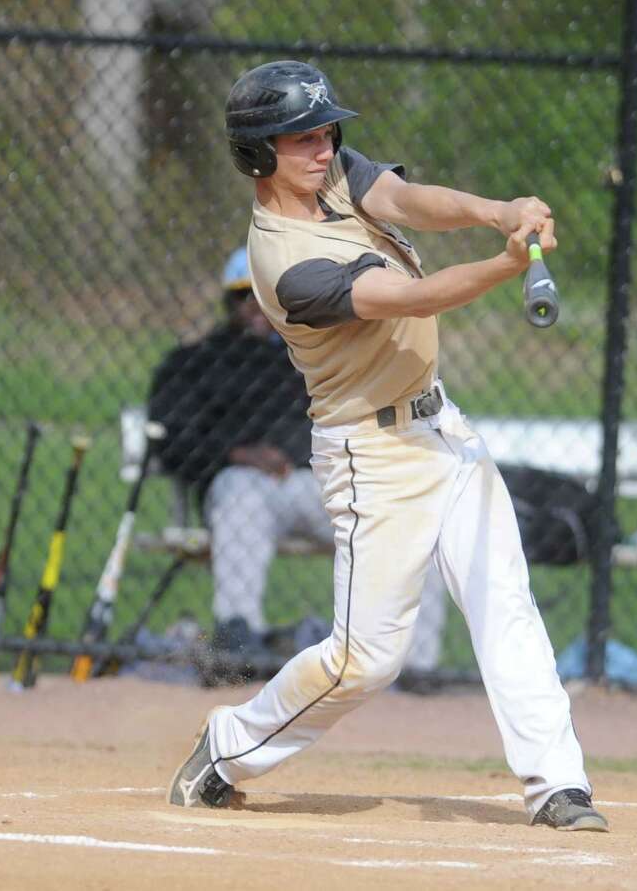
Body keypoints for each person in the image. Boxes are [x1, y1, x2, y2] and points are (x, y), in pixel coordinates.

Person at [168, 60, 606, 832]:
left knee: (503, 597)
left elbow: (405, 200)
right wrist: (505, 265)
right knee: (362, 661)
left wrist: (497, 211)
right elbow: (408, 295)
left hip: (442, 428)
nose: (321, 146)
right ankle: (227, 746)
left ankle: (556, 784)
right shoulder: (285, 260)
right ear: (257, 154)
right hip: (373, 458)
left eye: (325, 130)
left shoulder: (331, 174)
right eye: (299, 137)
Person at [148, 255, 448, 674]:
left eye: (267, 298)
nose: (256, 308)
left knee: (411, 522)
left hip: (329, 483)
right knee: (241, 490)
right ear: (229, 304)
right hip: (246, 488)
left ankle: (417, 666)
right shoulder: (196, 363)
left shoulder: (327, 357)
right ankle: (239, 639)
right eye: (244, 298)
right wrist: (235, 454)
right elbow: (173, 439)